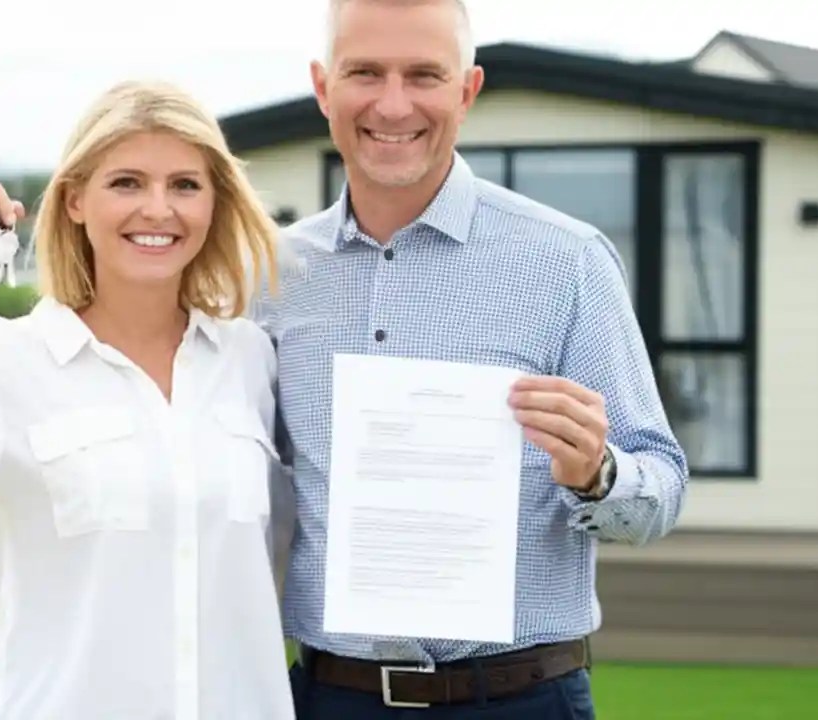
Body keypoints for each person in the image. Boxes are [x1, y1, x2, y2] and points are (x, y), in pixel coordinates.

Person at [255, 1, 690, 718]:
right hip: (330, 697)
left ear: (467, 89)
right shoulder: (264, 279)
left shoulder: (565, 263)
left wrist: (596, 473)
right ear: (323, 87)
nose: (393, 104)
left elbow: (661, 488)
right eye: (365, 72)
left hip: (521, 699)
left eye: (424, 75)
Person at [0, 80, 296, 720]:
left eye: (185, 185)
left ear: (215, 204)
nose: (158, 209)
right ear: (74, 199)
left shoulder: (250, 360)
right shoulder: (2, 362)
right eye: (126, 182)